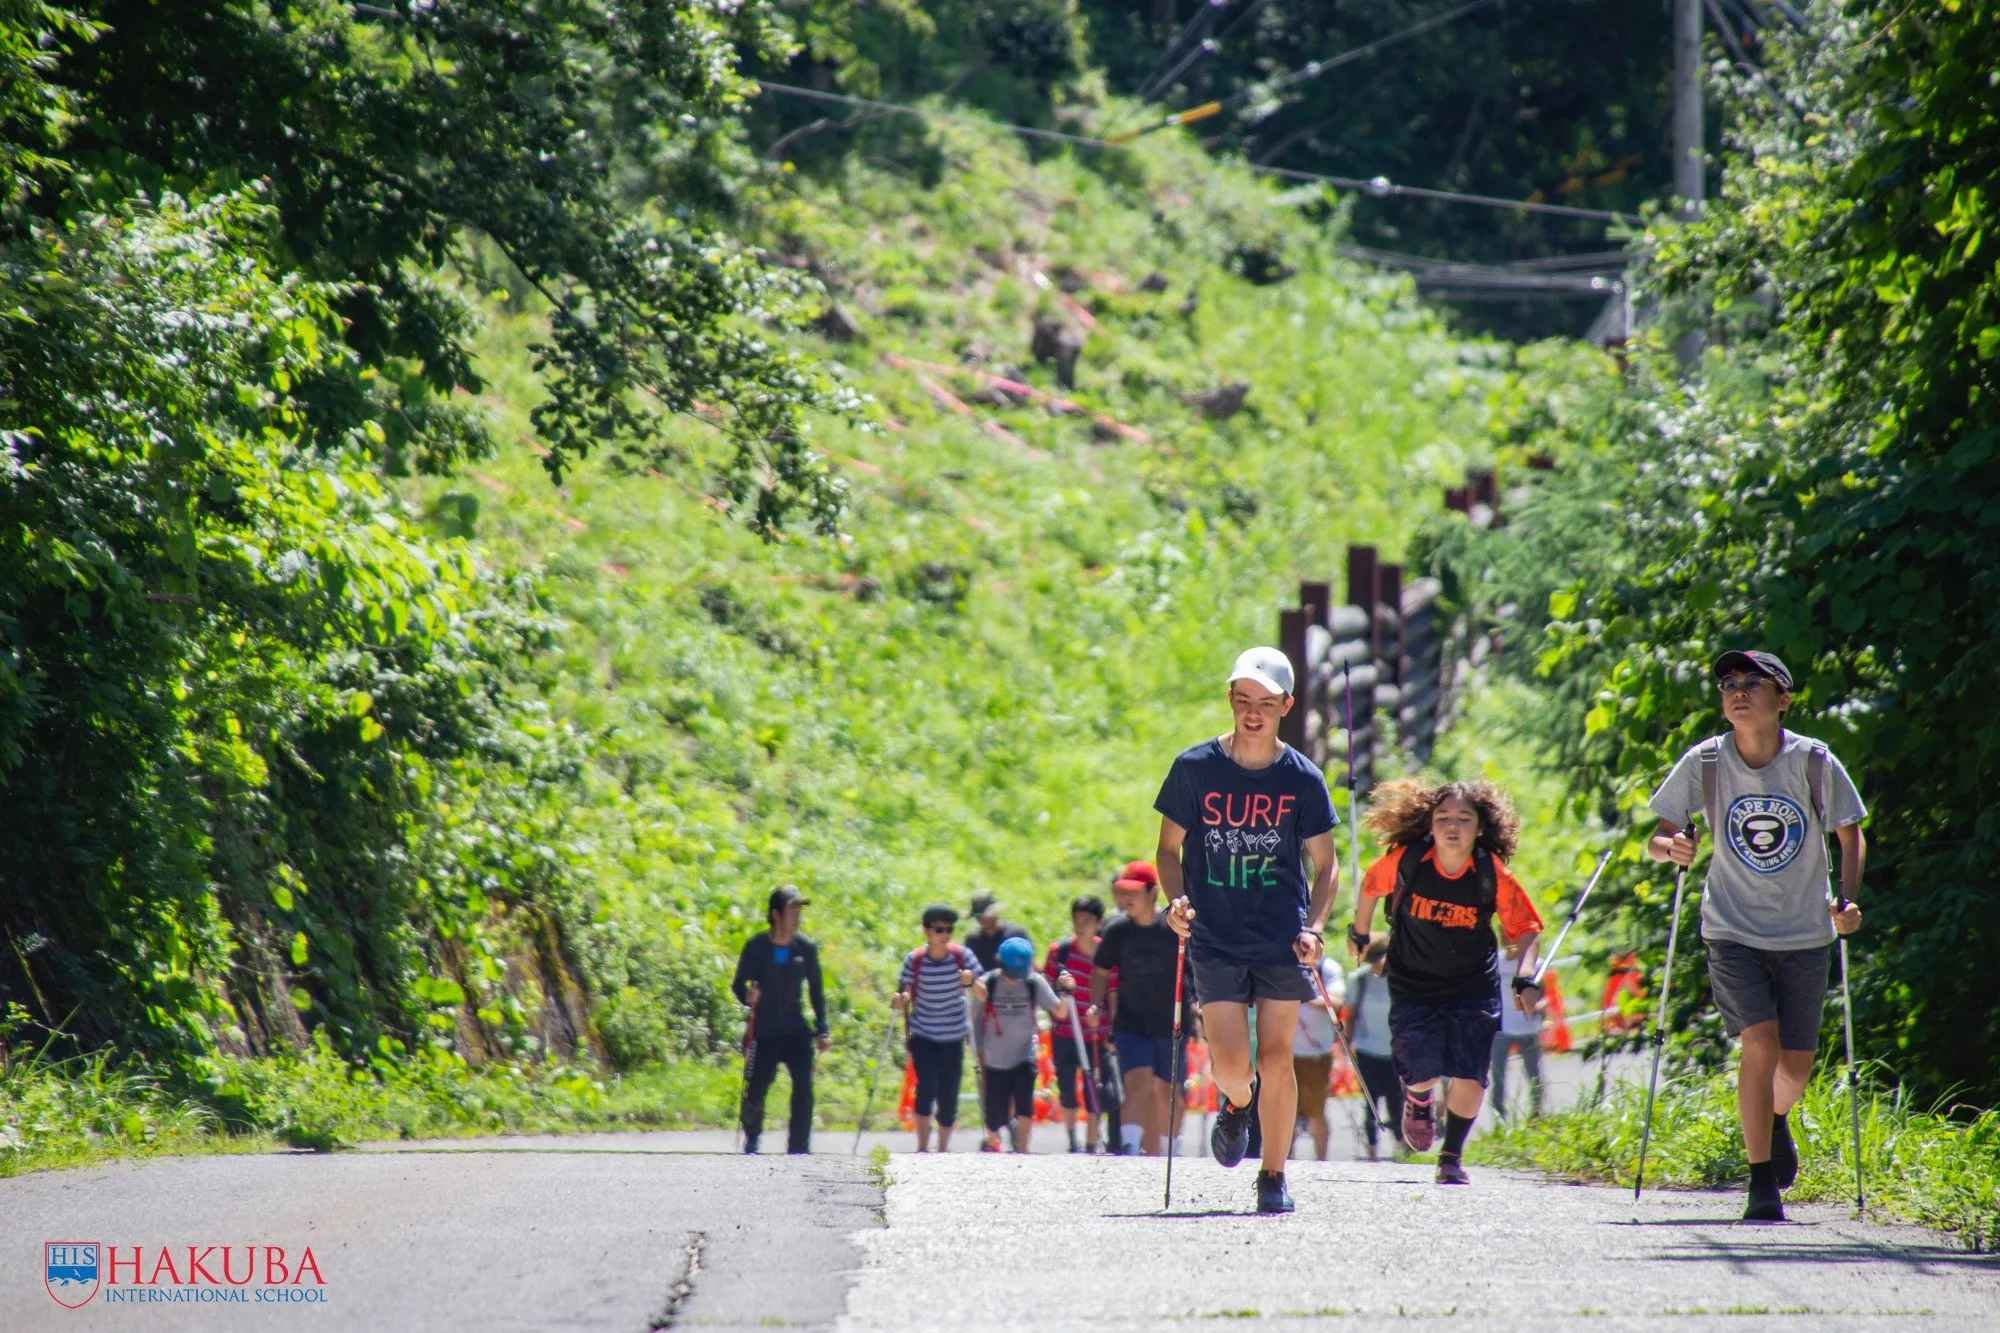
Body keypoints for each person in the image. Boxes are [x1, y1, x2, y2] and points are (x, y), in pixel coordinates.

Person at [1647, 648, 1866, 1222]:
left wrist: (1846, 900)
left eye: (1752, 681)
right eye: (1728, 683)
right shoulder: (1707, 763)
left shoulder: (1813, 761)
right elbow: (1660, 835)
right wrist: (1673, 847)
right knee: (1760, 1044)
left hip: (1804, 930)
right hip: (1733, 928)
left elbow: (1850, 835)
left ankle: (1772, 1121)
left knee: (1794, 1068)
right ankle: (1760, 1182)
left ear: (1783, 698)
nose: (1737, 690)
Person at [1159, 646, 1341, 1215]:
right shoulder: (1195, 769)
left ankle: (1273, 1177)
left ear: (1286, 705)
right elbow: (1168, 850)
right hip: (1214, 934)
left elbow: (1327, 865)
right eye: (1243, 701)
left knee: (1277, 1059)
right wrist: (1176, 902)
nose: (1253, 713)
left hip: (1280, 937)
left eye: (1265, 703)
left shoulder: (1302, 780)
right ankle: (1237, 1106)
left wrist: (1314, 927)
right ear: (1231, 702)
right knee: (1234, 1067)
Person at [1346, 779, 1544, 1186]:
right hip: (1413, 982)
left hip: (1472, 985)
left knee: (1471, 1073)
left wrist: (1525, 977)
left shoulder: (1491, 873)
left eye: (1464, 819)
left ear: (1481, 827)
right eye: (1443, 818)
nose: (1452, 826)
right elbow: (1371, 884)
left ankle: (1451, 1156)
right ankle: (1419, 1099)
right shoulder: (1409, 861)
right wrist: (1361, 933)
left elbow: (1527, 926)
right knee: (1421, 1068)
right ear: (1430, 825)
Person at [1093, 860, 1194, 1157]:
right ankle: (1130, 1149)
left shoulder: (1175, 928)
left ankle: (1168, 1150)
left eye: (1133, 892)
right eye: (1121, 892)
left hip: (1172, 1024)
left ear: (1152, 893)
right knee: (1136, 1083)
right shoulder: (1117, 930)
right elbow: (1100, 971)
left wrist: (1200, 1006)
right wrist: (1097, 1005)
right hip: (1131, 1023)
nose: (1126, 899)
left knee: (1168, 1090)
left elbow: (1194, 971)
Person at [730, 885, 830, 1154]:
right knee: (757, 1089)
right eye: (791, 909)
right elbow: (739, 985)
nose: (797, 916)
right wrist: (747, 995)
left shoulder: (806, 948)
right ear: (775, 914)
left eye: (799, 909)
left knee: (803, 1088)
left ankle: (798, 1148)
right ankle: (752, 1139)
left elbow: (816, 989)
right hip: (764, 1031)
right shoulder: (756, 947)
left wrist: (822, 1028)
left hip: (796, 1031)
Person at [893, 903, 981, 1152]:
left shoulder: (963, 957)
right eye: (939, 929)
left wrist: (971, 980)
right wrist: (900, 1000)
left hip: (953, 1035)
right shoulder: (916, 960)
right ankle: (922, 1147)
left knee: (949, 1093)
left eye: (949, 929)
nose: (945, 934)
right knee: (927, 1086)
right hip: (924, 1034)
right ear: (926, 932)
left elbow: (982, 992)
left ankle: (942, 1149)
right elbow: (904, 991)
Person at [974, 936, 1069, 1153]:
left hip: (1025, 1053)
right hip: (994, 1057)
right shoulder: (988, 982)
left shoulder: (1034, 982)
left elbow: (1060, 1012)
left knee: (1024, 1104)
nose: (1016, 978)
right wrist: (977, 1047)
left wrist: (1065, 992)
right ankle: (993, 1141)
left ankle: (1023, 1151)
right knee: (994, 1109)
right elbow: (974, 1017)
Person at [1045, 895, 1113, 1152]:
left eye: (1087, 921)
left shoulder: (1107, 953)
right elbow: (1047, 989)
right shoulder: (1059, 952)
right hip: (1065, 1032)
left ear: (1099, 923)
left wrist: (1104, 1018)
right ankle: (1072, 1138)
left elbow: (1113, 990)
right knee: (1066, 1088)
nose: (1080, 926)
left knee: (1094, 1089)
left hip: (1096, 1034)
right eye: (1077, 921)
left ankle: (1091, 1142)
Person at [1346, 934, 1402, 1160]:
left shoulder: (1399, 980)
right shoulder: (1358, 979)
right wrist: (1348, 1043)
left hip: (1395, 1052)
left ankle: (1401, 1146)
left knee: (1396, 1101)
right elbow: (1350, 1015)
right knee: (1370, 1104)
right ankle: (1372, 1150)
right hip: (1367, 1050)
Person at [1290, 955, 1345, 1161]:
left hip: (1315, 1054)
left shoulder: (1326, 967)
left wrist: (1306, 998)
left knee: (1316, 1111)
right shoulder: (1283, 960)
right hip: (1284, 1053)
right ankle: (1283, 1162)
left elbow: (1337, 1001)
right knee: (1285, 1113)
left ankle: (1321, 1161)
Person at [1489, 934, 1546, 1119]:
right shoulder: (1495, 962)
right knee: (1497, 1074)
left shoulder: (1535, 965)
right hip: (1501, 1027)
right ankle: (1499, 1116)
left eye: (1510, 935)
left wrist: (1537, 1007)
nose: (1506, 940)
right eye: (1503, 935)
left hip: (1527, 1027)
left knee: (1533, 1072)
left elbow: (1546, 995)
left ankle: (1537, 1112)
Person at [964, 890, 1029, 973]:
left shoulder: (1016, 934)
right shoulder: (972, 939)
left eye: (987, 915)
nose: (984, 919)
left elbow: (1030, 964)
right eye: (979, 917)